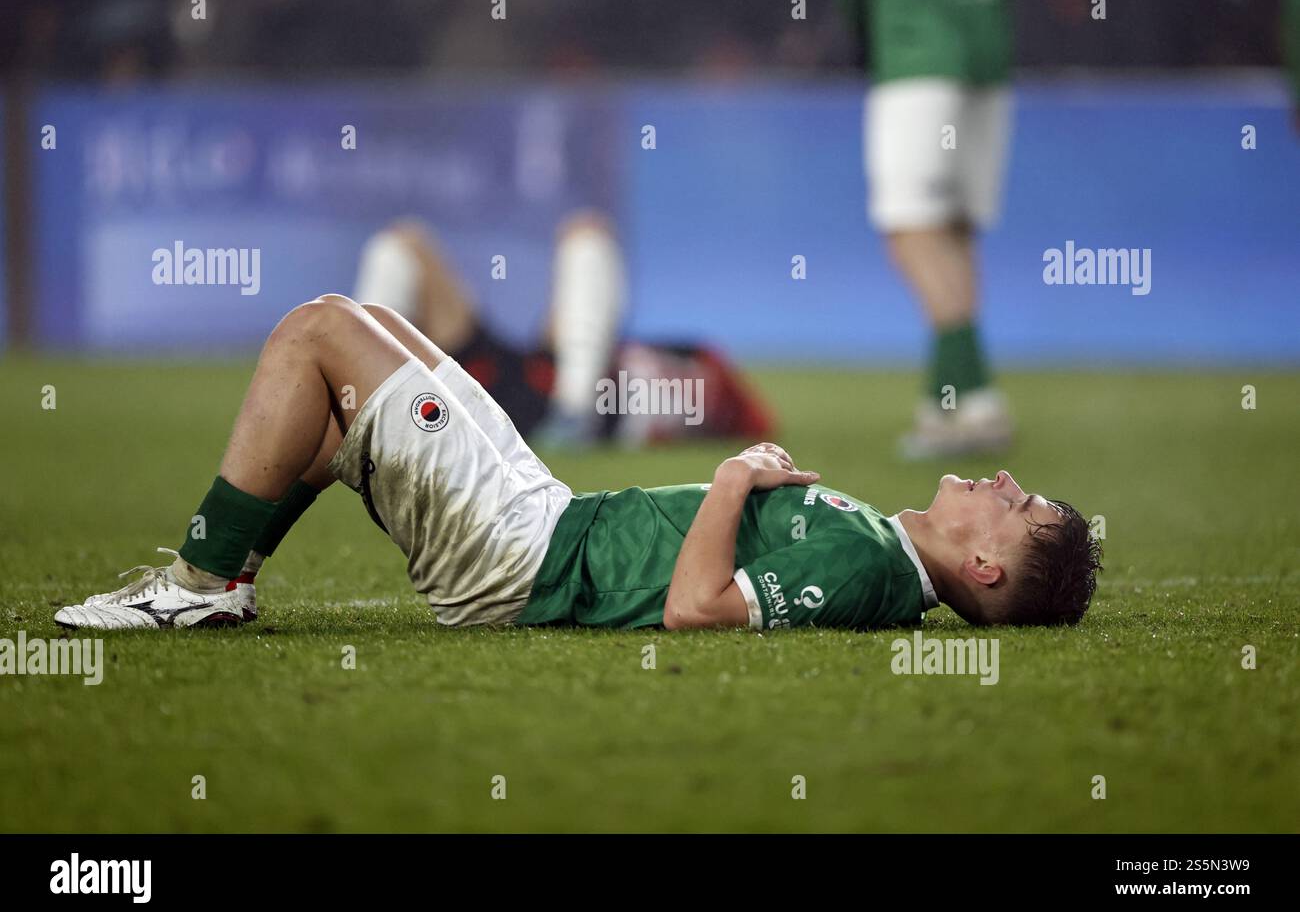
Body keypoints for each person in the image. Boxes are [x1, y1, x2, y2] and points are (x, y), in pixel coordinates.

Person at [56, 296, 1100, 632]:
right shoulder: (875, 542)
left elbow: (695, 608)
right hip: (547, 515)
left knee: (316, 331)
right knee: (346, 379)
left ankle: (194, 585)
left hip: (527, 558)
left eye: (1018, 507)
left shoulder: (874, 569)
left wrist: (734, 474)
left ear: (989, 569)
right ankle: (223, 586)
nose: (1002, 482)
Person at [351, 211, 773, 447]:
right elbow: (755, 423)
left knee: (587, 232)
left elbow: (749, 421)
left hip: (581, 397)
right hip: (534, 381)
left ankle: (366, 410)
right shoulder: (697, 358)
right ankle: (364, 406)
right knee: (404, 242)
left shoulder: (699, 370)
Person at [838, 0, 1015, 458]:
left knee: (911, 232)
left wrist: (859, 32)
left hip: (916, 51)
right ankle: (945, 401)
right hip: (987, 54)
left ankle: (977, 396)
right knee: (952, 231)